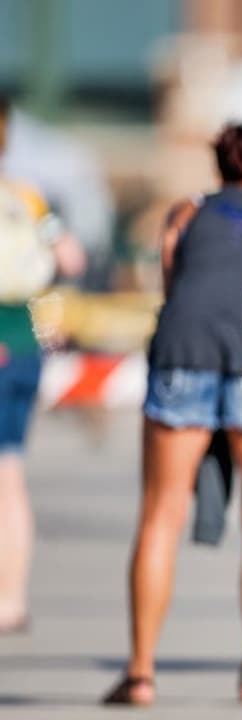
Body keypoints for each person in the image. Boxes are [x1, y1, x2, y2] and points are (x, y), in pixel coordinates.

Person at [102, 124, 242, 706]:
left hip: (182, 355)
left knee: (160, 516)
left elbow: (171, 281)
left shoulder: (187, 212)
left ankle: (140, 673)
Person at [0, 96, 86, 634]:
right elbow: (71, 257)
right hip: (21, 341)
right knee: (10, 479)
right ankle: (10, 599)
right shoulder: (27, 196)